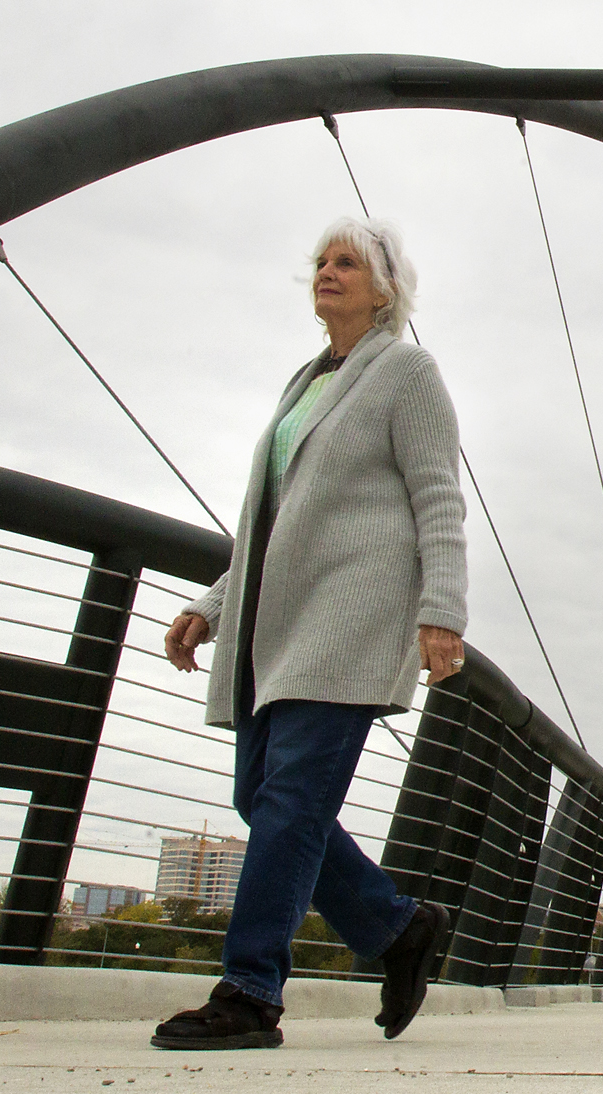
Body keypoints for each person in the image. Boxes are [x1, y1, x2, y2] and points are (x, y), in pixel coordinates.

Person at [151, 218, 468, 1050]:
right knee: (260, 797)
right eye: (321, 262)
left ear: (385, 288)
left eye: (346, 263)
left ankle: (250, 992)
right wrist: (213, 606)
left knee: (290, 801)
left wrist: (442, 610)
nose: (327, 272)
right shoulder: (307, 382)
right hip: (279, 623)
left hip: (352, 617)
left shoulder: (406, 372)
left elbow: (439, 496)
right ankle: (397, 928)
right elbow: (274, 523)